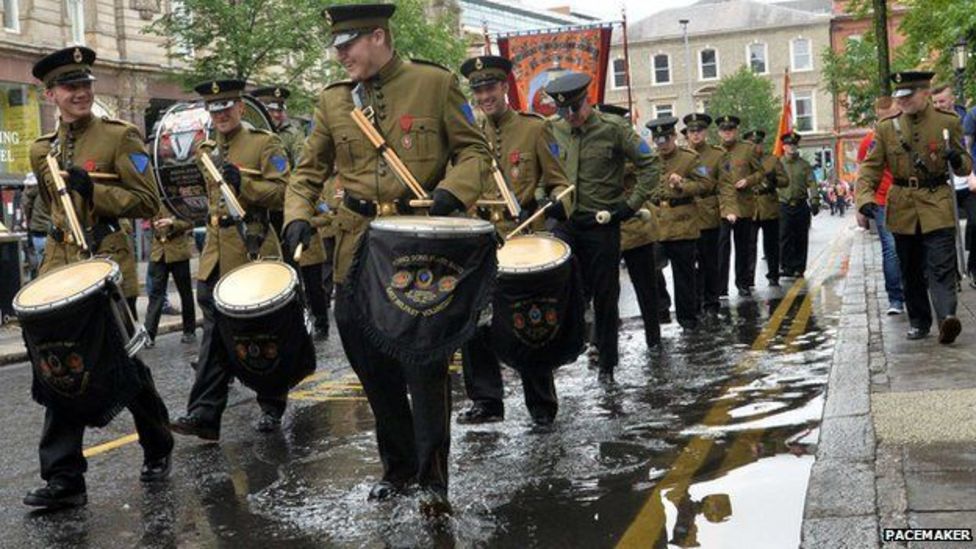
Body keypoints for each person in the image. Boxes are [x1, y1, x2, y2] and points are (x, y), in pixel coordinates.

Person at [281, 4, 493, 517]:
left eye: (348, 45)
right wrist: (297, 213)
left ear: (379, 36)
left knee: (424, 365)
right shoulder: (333, 101)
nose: (340, 55)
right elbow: (308, 170)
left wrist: (452, 191)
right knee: (368, 360)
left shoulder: (434, 84)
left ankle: (432, 475)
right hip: (357, 247)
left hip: (420, 245)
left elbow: (475, 153)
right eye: (336, 46)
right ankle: (397, 468)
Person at [25, 46, 173, 509]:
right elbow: (52, 212)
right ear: (51, 94)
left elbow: (149, 202)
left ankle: (158, 444)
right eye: (70, 87)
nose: (80, 93)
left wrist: (97, 191)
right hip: (60, 266)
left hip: (106, 262)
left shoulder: (119, 137)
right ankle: (65, 477)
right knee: (58, 366)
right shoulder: (40, 150)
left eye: (85, 84)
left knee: (123, 365)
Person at [454, 55, 574, 427]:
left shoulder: (534, 129)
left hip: (522, 235)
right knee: (472, 322)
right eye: (478, 90)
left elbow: (560, 183)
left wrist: (556, 207)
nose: (484, 96)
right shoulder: (467, 135)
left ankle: (540, 403)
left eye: (490, 87)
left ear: (504, 87)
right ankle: (486, 400)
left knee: (527, 320)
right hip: (478, 238)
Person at [170, 78, 291, 439]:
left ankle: (271, 404)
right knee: (215, 334)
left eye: (226, 107)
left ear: (241, 107)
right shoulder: (205, 150)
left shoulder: (264, 143)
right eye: (214, 109)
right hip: (216, 253)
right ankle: (205, 413)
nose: (221, 115)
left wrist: (245, 185)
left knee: (260, 331)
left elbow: (284, 193)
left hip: (252, 247)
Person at [545, 72, 659, 383]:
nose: (570, 116)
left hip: (601, 224)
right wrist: (545, 196)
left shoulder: (614, 129)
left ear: (588, 100)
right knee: (556, 282)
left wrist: (630, 205)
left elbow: (651, 166)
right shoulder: (552, 130)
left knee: (605, 294)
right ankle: (562, 348)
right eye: (563, 111)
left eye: (575, 109)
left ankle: (607, 363)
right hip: (565, 221)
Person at [856, 71, 972, 344]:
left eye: (909, 96)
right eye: (900, 97)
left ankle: (947, 319)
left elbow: (966, 165)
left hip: (937, 202)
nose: (903, 102)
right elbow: (870, 169)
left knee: (941, 266)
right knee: (909, 268)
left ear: (925, 93)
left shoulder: (948, 122)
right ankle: (919, 321)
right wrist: (865, 199)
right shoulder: (887, 128)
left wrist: (957, 159)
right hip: (902, 205)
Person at [252, 85, 330, 338]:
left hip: (289, 206)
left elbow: (301, 168)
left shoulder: (292, 134)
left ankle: (319, 321)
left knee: (310, 278)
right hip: (264, 211)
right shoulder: (252, 134)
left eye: (279, 109)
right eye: (271, 110)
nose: (276, 114)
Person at [601, 104, 662, 350]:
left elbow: (649, 164)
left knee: (646, 288)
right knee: (605, 292)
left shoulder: (631, 142)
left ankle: (654, 338)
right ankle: (604, 343)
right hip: (605, 226)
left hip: (636, 224)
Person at [646, 116, 708, 330]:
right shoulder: (651, 160)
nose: (662, 144)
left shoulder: (690, 158)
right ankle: (661, 308)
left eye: (665, 139)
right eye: (657, 140)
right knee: (651, 271)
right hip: (657, 225)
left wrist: (683, 184)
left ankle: (688, 319)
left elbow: (705, 184)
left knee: (684, 277)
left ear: (673, 136)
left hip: (682, 224)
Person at [856, 98, 904, 313]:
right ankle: (896, 299)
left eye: (892, 118)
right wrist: (860, 206)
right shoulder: (869, 141)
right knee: (891, 249)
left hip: (910, 198)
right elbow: (863, 174)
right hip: (883, 202)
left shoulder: (908, 135)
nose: (888, 124)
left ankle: (914, 290)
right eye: (884, 119)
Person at [716, 115, 764, 298]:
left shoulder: (747, 149)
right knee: (722, 248)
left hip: (743, 205)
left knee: (743, 247)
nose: (727, 133)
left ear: (735, 131)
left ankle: (743, 283)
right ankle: (721, 287)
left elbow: (760, 172)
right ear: (719, 132)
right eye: (724, 130)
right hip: (722, 206)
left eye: (730, 130)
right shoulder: (715, 151)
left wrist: (748, 180)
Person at [683, 114, 725, 318]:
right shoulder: (681, 155)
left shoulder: (717, 155)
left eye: (699, 130)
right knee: (689, 263)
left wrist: (728, 209)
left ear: (705, 132)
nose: (695, 134)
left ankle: (712, 302)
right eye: (692, 131)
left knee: (710, 262)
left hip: (709, 215)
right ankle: (694, 302)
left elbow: (726, 185)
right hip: (686, 216)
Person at [932, 84, 976, 282]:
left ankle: (973, 267)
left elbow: (969, 148)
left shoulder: (964, 119)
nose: (939, 105)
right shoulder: (928, 124)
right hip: (943, 186)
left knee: (975, 222)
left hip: (967, 182)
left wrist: (972, 172)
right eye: (934, 102)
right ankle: (953, 274)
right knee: (946, 231)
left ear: (951, 100)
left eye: (942, 101)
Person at [143, 205, 197, 346]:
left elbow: (190, 222)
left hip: (178, 252)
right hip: (158, 252)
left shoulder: (175, 199)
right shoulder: (153, 198)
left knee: (185, 293)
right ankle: (149, 334)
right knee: (156, 295)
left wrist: (172, 223)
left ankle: (189, 331)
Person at [744, 129, 787, 287]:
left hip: (768, 205)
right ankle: (748, 279)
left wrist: (774, 179)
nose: (756, 147)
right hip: (750, 206)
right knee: (749, 246)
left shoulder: (772, 160)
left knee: (772, 244)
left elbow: (785, 181)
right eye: (752, 144)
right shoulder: (743, 162)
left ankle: (774, 274)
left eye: (758, 143)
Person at [779, 131, 822, 279]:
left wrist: (815, 200)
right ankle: (786, 266)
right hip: (783, 205)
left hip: (800, 205)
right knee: (784, 237)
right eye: (788, 144)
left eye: (794, 144)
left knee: (800, 237)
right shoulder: (778, 164)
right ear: (783, 146)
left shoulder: (804, 165)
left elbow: (812, 183)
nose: (792, 147)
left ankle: (799, 267)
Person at [20, 172, 49, 277]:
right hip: (50, 231)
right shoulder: (46, 191)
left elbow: (26, 210)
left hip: (36, 232)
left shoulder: (27, 194)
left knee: (39, 263)